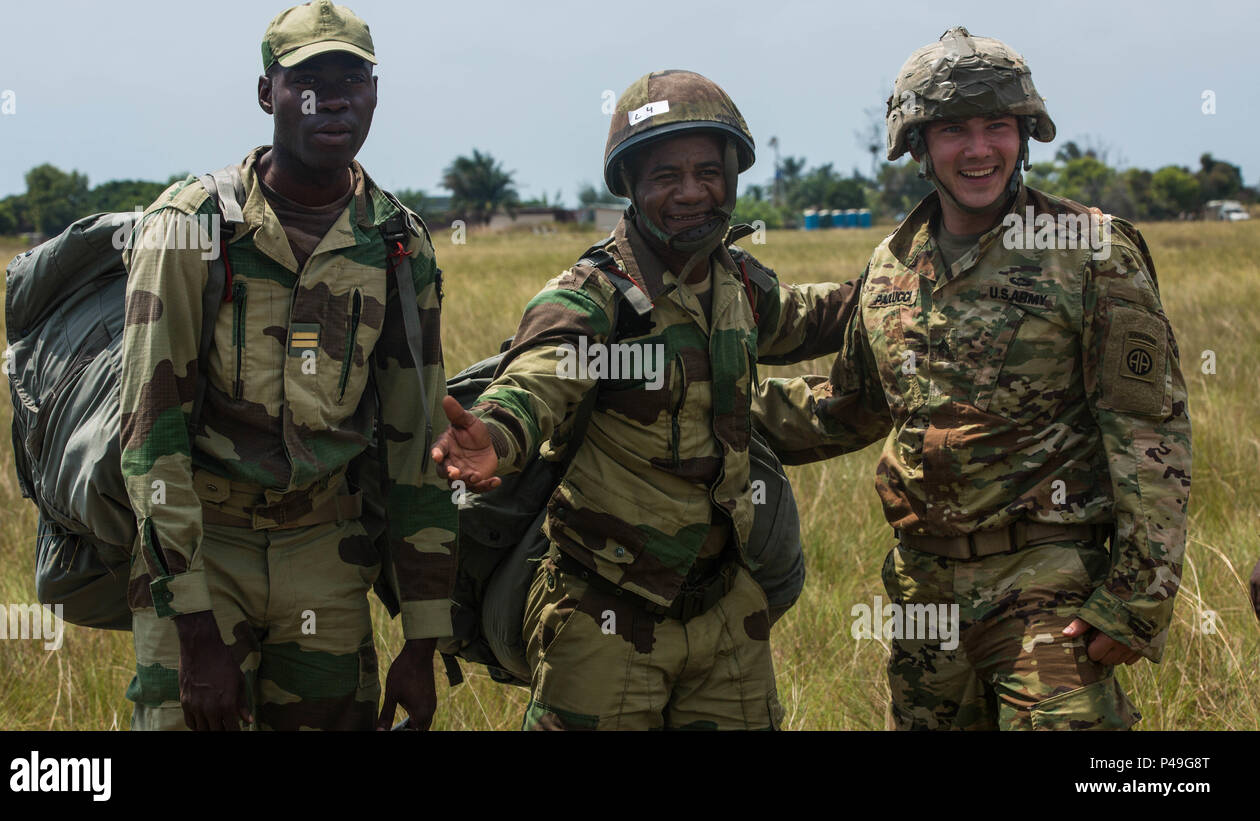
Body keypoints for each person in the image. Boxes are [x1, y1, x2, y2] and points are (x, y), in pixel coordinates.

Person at [755, 27, 1191, 730]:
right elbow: (852, 407)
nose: (980, 149)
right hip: (924, 594)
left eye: (999, 126)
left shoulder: (1089, 250)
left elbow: (1151, 431)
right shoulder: (892, 265)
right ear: (916, 145)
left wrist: (1137, 599)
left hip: (1048, 593)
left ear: (1026, 134)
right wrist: (694, 405)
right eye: (954, 129)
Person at [431, 70, 858, 730]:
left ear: (733, 175)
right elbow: (538, 377)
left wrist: (900, 283)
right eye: (666, 176)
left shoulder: (735, 279)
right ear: (631, 184)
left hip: (727, 614)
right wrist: (497, 431)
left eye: (708, 171)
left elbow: (812, 318)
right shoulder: (592, 296)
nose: (692, 192)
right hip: (604, 617)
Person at [119, 0, 456, 731]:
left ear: (374, 94)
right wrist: (196, 626)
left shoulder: (398, 244)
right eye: (308, 80)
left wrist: (423, 637)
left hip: (324, 553)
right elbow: (152, 436)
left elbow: (415, 442)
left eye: (352, 78)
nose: (332, 97)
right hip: (206, 543)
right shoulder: (191, 227)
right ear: (268, 93)